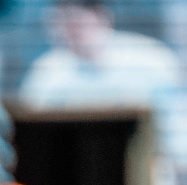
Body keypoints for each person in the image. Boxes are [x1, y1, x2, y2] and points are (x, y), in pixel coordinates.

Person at [19, 0, 178, 112]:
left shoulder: (151, 60)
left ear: (103, 17)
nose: (70, 31)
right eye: (61, 22)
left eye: (77, 21)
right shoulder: (48, 71)